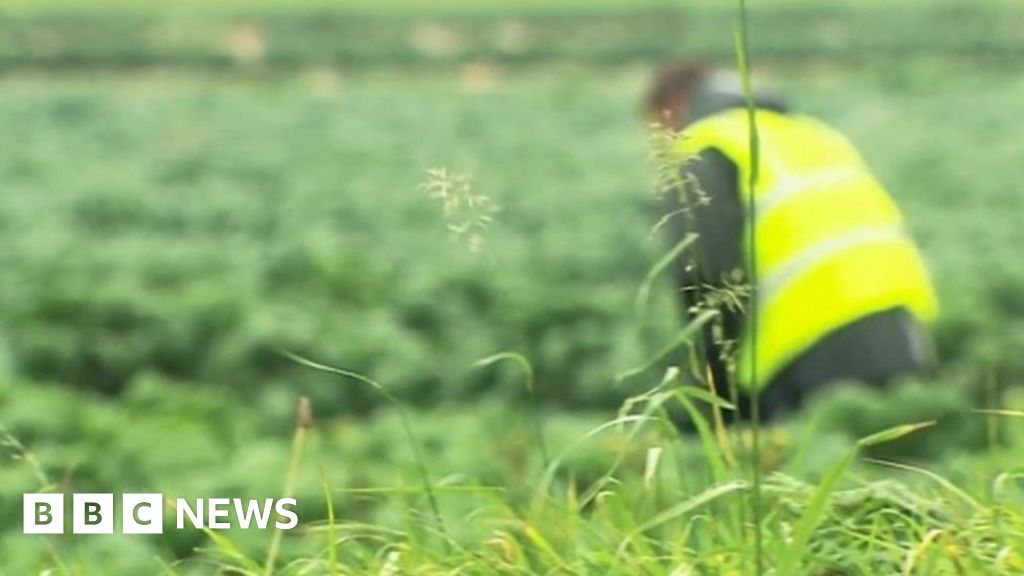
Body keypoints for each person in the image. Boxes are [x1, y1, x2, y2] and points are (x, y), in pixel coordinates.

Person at [645, 61, 939, 421]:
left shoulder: (704, 147)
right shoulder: (814, 133)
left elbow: (707, 276)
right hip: (902, 331)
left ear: (671, 107)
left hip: (811, 351)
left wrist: (716, 391)